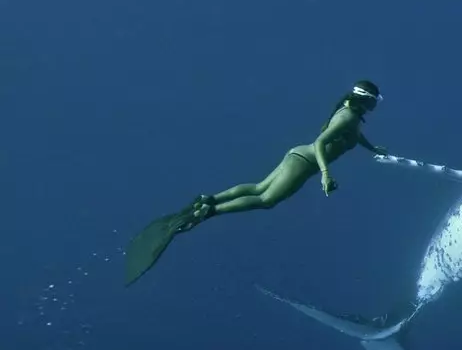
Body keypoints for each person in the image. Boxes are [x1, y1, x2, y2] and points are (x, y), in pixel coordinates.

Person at [125, 80, 388, 286]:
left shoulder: (349, 112)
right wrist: (325, 173)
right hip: (306, 163)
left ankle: (210, 200)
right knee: (266, 200)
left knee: (258, 188)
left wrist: (373, 148)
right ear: (367, 100)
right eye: (375, 102)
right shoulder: (348, 116)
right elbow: (322, 143)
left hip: (298, 154)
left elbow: (353, 137)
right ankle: (210, 211)